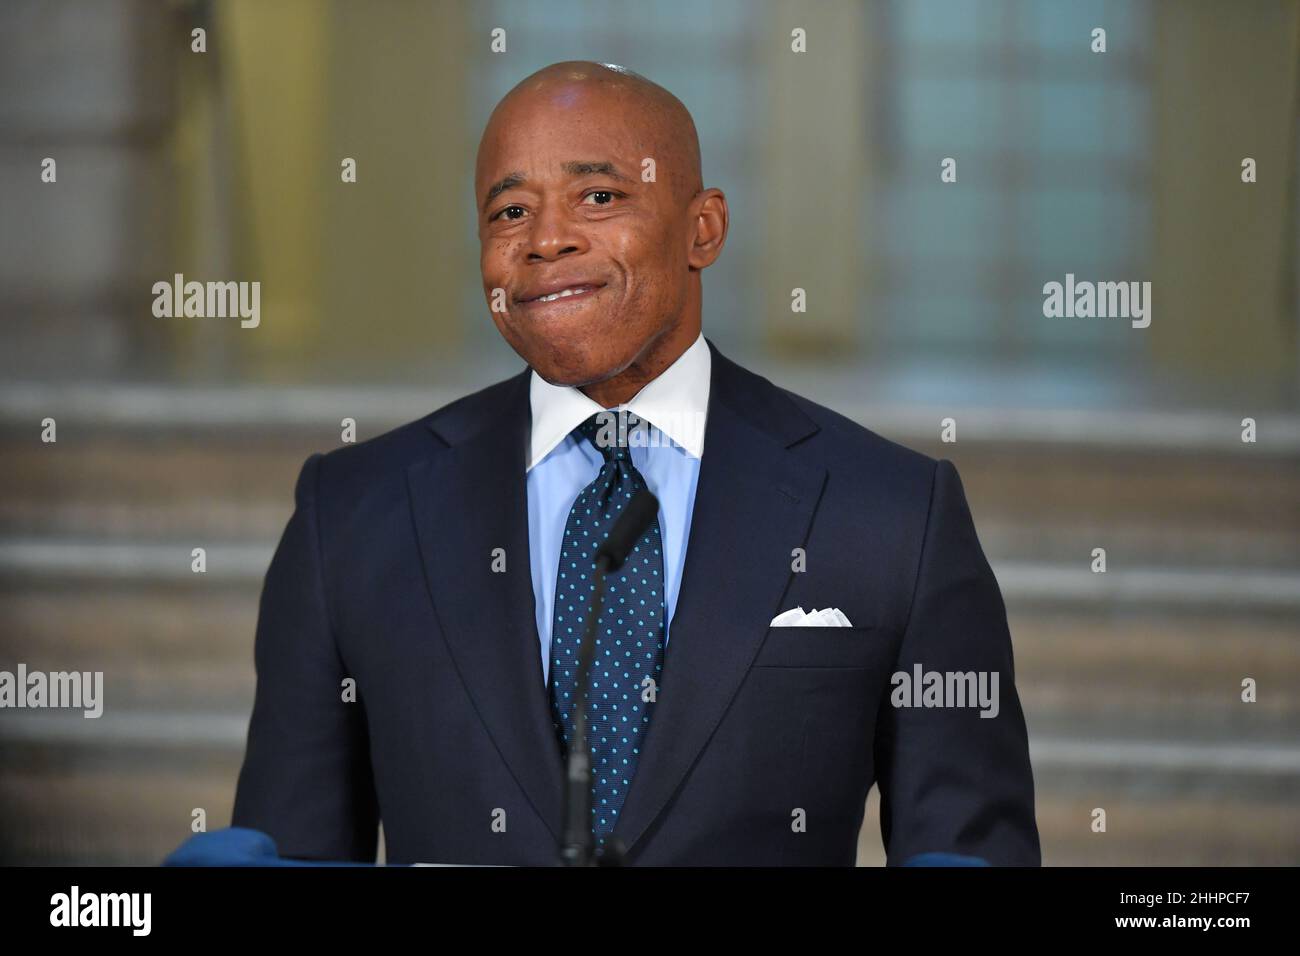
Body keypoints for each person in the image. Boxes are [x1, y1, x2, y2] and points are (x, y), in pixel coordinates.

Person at [232, 61, 1040, 866]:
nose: (546, 239)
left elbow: (970, 850)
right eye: (511, 211)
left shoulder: (894, 514)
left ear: (703, 230)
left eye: (598, 197)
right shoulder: (349, 516)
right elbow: (290, 850)